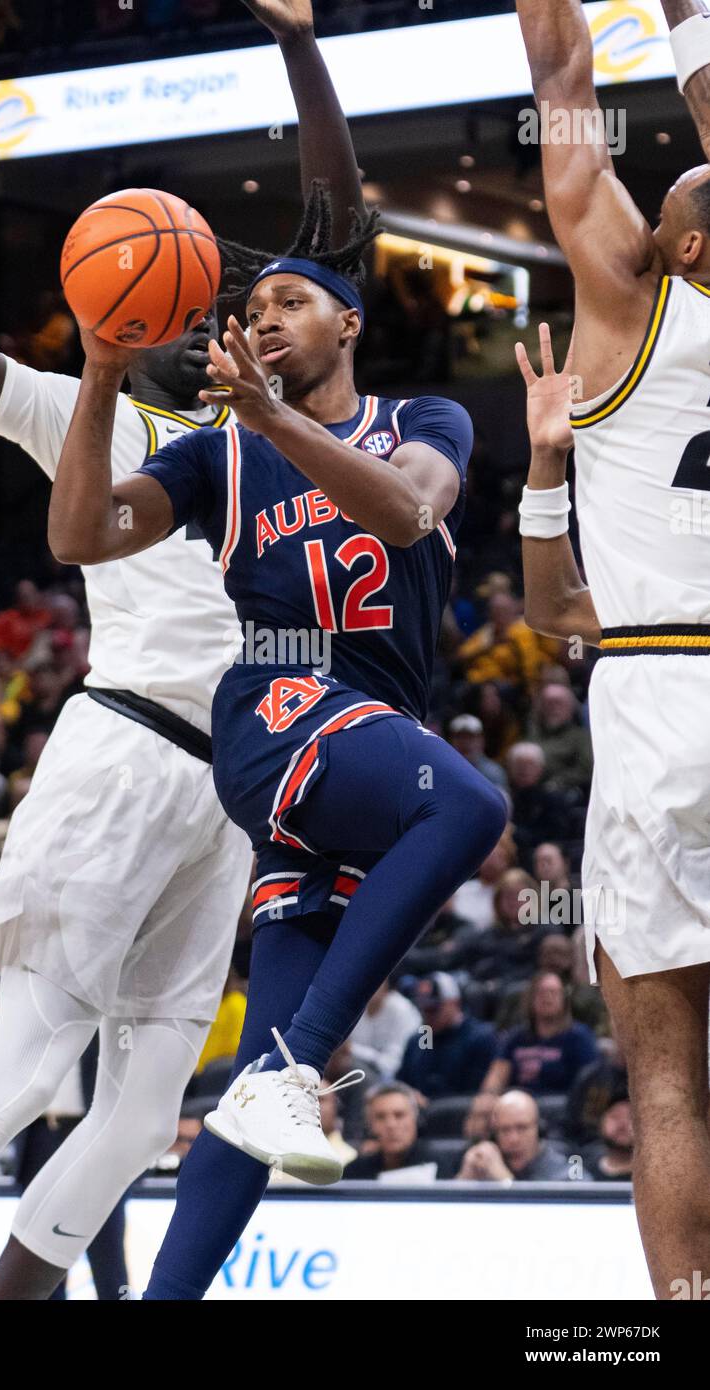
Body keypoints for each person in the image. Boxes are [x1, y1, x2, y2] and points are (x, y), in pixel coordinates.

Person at [0, 2, 373, 1302]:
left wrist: (301, 44)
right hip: (125, 749)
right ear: (136, 324)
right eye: (191, 318)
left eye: (229, 313)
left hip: (234, 791)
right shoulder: (79, 416)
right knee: (27, 1066)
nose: (218, 329)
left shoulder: (276, 431)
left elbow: (339, 226)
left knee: (139, 1119)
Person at [49, 44, 506, 1303]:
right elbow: (79, 534)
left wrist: (272, 417)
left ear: (344, 321)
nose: (259, 323)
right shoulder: (213, 458)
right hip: (278, 711)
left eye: (286, 307)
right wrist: (96, 373)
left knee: (253, 1111)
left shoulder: (421, 425)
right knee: (470, 807)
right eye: (247, 316)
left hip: (364, 743)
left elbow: (408, 520)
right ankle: (299, 1063)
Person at [514, 0, 710, 1296]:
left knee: (663, 1077)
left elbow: (559, 67)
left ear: (680, 239)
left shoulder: (626, 300)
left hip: (654, 686)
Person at [480, 970, 599, 1098]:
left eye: (554, 993)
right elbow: (497, 1076)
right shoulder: (516, 1037)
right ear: (531, 999)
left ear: (564, 1000)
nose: (547, 998)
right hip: (518, 1106)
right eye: (542, 992)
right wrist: (487, 1097)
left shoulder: (579, 1037)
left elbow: (590, 1082)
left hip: (561, 1109)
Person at [397, 973, 497, 1100]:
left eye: (434, 1009)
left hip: (461, 1112)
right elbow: (404, 1082)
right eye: (424, 1009)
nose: (428, 1015)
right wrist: (410, 1096)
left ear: (454, 1003)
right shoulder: (421, 1038)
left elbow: (478, 1093)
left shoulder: (479, 1037)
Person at [457, 1090, 582, 1184]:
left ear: (539, 1129)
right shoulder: (485, 1163)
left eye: (522, 1128)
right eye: (505, 1130)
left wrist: (504, 1180)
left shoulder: (566, 1172)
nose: (513, 1139)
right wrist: (465, 1177)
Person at [343, 1084, 431, 1181]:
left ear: (416, 1119)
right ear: (369, 1124)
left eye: (399, 1115)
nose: (391, 1125)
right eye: (380, 1117)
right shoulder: (353, 1174)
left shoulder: (444, 1167)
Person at [349, 979, 421, 1081]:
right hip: (358, 1073)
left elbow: (392, 1065)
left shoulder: (402, 1009)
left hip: (398, 1079)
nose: (370, 986)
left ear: (387, 984)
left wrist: (351, 1049)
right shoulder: (353, 1006)